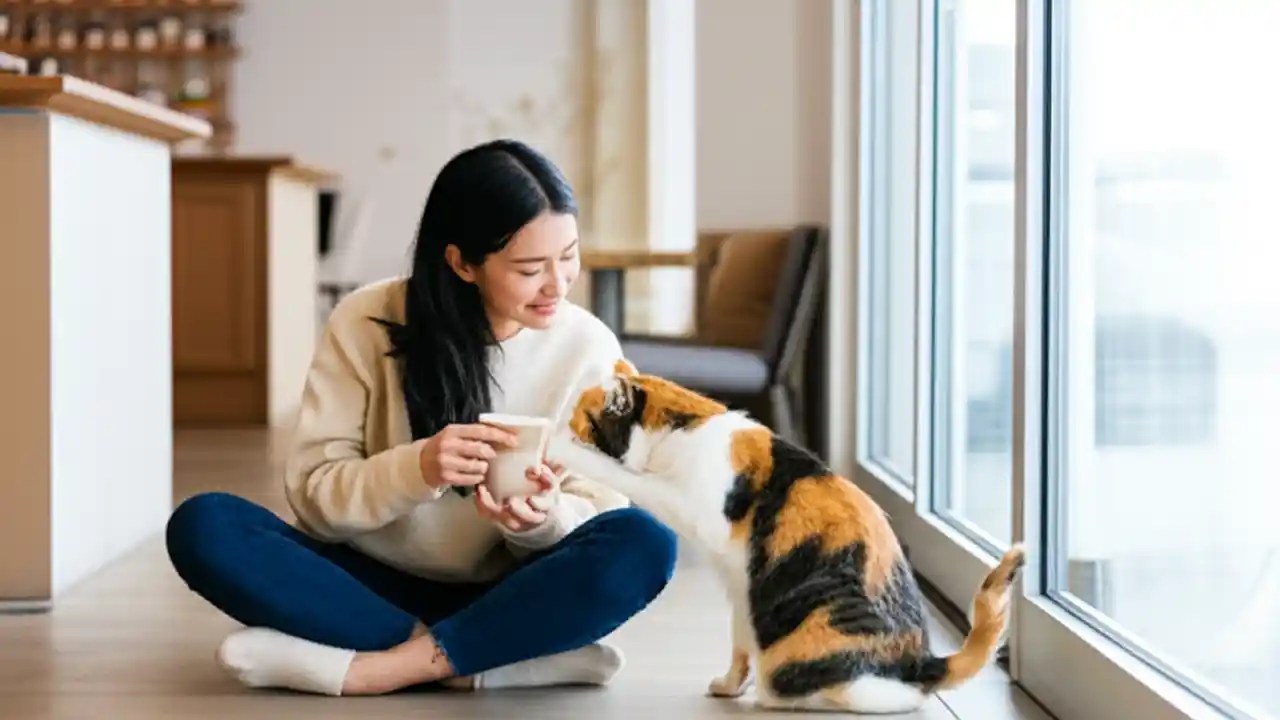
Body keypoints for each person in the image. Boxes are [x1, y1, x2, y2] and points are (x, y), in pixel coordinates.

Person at [165, 139, 678, 697]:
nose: (558, 284)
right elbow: (315, 499)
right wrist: (419, 469)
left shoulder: (587, 347)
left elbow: (601, 507)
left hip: (510, 587)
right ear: (461, 262)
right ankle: (486, 659)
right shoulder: (366, 320)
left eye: (569, 256)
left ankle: (380, 668)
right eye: (531, 268)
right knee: (204, 524)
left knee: (646, 542)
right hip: (369, 582)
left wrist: (543, 521)